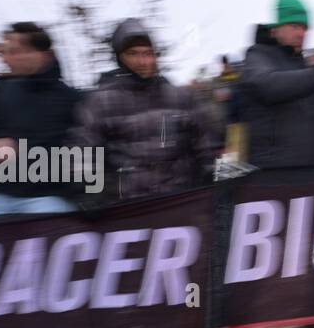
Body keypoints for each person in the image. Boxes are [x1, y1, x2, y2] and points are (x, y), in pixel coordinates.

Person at [72, 18, 216, 200]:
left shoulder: (180, 98)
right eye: (133, 54)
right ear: (119, 57)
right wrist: (90, 191)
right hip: (127, 207)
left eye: (148, 53)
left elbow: (205, 144)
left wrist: (212, 175)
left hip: (180, 201)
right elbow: (82, 150)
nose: (142, 61)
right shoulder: (100, 103)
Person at [235, 0, 314, 168]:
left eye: (305, 28)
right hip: (269, 181)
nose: (302, 34)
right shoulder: (257, 57)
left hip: (311, 178)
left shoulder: (304, 66)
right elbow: (268, 86)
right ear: (275, 29)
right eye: (295, 26)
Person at [0, 22, 84, 214]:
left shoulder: (72, 99)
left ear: (41, 54)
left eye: (14, 52)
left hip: (49, 197)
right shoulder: (2, 91)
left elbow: (89, 150)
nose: (5, 59)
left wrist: (89, 197)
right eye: (4, 52)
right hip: (0, 195)